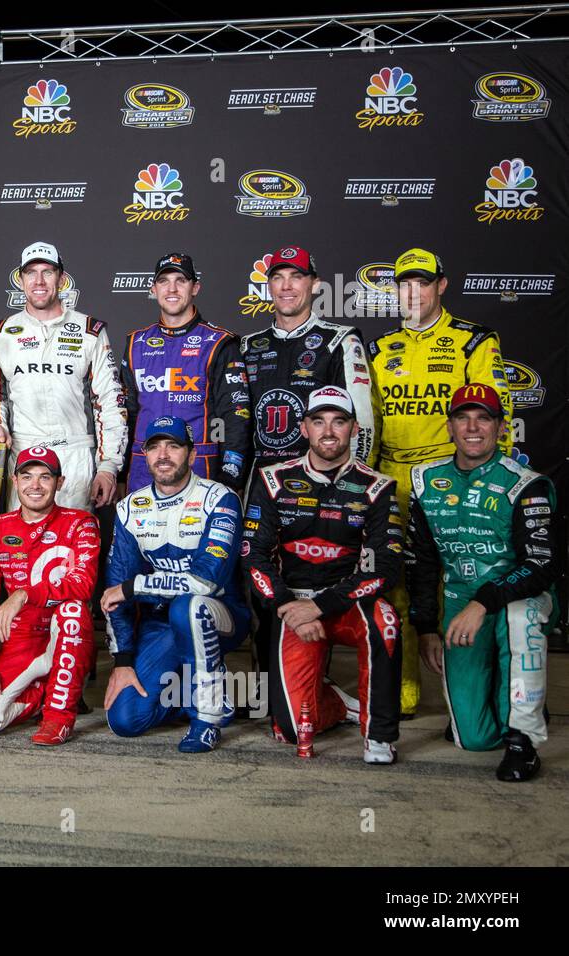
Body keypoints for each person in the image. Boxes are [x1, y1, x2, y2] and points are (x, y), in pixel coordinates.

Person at [369, 248, 512, 719]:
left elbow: (496, 416)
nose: (413, 293)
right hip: (391, 478)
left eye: (422, 283)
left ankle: (469, 696)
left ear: (441, 286)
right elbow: (367, 422)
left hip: (449, 478)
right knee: (395, 586)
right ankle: (405, 693)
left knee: (460, 582)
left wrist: (490, 483)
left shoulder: (472, 341)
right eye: (404, 284)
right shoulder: (380, 348)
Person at [241, 386, 404, 764]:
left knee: (386, 620)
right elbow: (254, 557)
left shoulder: (377, 487)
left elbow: (386, 569)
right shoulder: (272, 481)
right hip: (292, 605)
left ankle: (378, 734)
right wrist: (287, 605)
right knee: (293, 730)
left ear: (354, 429)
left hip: (347, 602)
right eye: (319, 421)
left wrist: (320, 606)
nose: (328, 431)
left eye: (338, 421)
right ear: (304, 428)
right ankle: (336, 702)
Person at [406, 384, 557, 781]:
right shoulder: (425, 481)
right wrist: (425, 627)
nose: (473, 427)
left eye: (484, 417)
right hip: (460, 601)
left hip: (519, 596)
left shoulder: (527, 484)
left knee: (519, 617)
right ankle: (511, 702)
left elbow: (542, 565)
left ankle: (523, 739)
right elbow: (422, 562)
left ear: (500, 427)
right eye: (463, 417)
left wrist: (483, 602)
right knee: (472, 738)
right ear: (450, 426)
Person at [102, 417, 249, 752]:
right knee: (126, 720)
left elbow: (205, 582)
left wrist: (135, 585)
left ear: (192, 455)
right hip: (161, 622)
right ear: (145, 456)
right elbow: (115, 593)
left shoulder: (220, 499)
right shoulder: (130, 509)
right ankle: (195, 689)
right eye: (154, 447)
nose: (163, 454)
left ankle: (206, 719)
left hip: (221, 614)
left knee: (190, 606)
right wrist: (123, 661)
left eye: (173, 446)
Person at [0, 447, 100, 746]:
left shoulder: (81, 523)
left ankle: (58, 718)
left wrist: (24, 594)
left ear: (59, 482)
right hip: (23, 637)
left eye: (45, 477)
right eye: (27, 477)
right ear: (14, 481)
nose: (35, 485)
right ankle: (42, 687)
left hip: (66, 631)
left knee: (73, 611)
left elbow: (83, 585)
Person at [0, 241, 127, 512]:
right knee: (23, 546)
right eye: (31, 272)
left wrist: (108, 466)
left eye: (47, 272)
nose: (39, 280)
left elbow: (109, 400)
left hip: (75, 454)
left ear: (62, 278)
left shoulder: (89, 330)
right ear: (20, 279)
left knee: (76, 544)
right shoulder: (1, 334)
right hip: (23, 455)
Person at [119, 253, 251, 494]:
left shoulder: (219, 343)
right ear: (153, 289)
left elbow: (233, 416)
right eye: (164, 281)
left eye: (180, 280)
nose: (172, 288)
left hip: (201, 468)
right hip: (142, 469)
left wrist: (232, 475)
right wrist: (119, 473)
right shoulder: (135, 343)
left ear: (195, 287)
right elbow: (127, 416)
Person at [239, 246, 379, 469]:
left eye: (296, 277)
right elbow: (237, 422)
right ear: (269, 286)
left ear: (314, 284)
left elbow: (362, 422)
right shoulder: (247, 346)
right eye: (278, 278)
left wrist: (354, 477)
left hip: (318, 477)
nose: (286, 286)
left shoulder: (340, 340)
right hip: (261, 481)